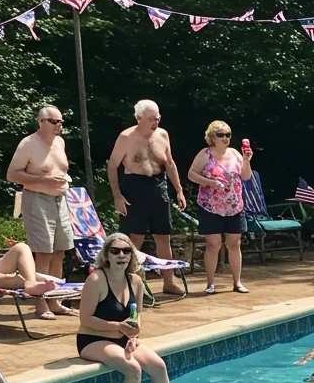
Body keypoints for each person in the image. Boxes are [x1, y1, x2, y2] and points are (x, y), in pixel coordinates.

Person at [76, 233, 171, 383]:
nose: (121, 255)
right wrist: (118, 327)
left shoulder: (135, 281)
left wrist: (134, 336)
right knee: (132, 368)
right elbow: (85, 319)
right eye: (115, 251)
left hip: (124, 339)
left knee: (158, 366)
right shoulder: (96, 279)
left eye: (126, 251)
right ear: (106, 255)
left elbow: (137, 315)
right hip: (93, 339)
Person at [107, 100, 187, 296]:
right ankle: (126, 282)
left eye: (158, 118)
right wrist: (117, 196)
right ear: (138, 118)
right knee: (134, 237)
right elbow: (112, 166)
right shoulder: (126, 137)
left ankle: (168, 281)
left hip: (158, 186)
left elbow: (169, 162)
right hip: (134, 186)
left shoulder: (162, 135)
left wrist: (178, 190)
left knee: (163, 236)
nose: (156, 122)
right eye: (151, 119)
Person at [6, 106, 76, 319]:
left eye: (61, 122)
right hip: (37, 200)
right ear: (41, 122)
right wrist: (44, 180)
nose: (59, 126)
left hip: (60, 200)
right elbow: (12, 175)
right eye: (54, 122)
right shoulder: (28, 144)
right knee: (43, 252)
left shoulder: (60, 142)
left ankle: (55, 300)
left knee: (60, 251)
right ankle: (41, 303)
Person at [188, 120, 252, 294]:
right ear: (212, 137)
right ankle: (210, 283)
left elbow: (246, 176)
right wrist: (209, 182)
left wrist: (246, 160)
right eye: (221, 135)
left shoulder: (235, 154)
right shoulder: (205, 154)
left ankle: (237, 282)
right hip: (211, 206)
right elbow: (191, 174)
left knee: (234, 244)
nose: (225, 138)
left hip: (234, 206)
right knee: (213, 244)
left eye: (228, 135)